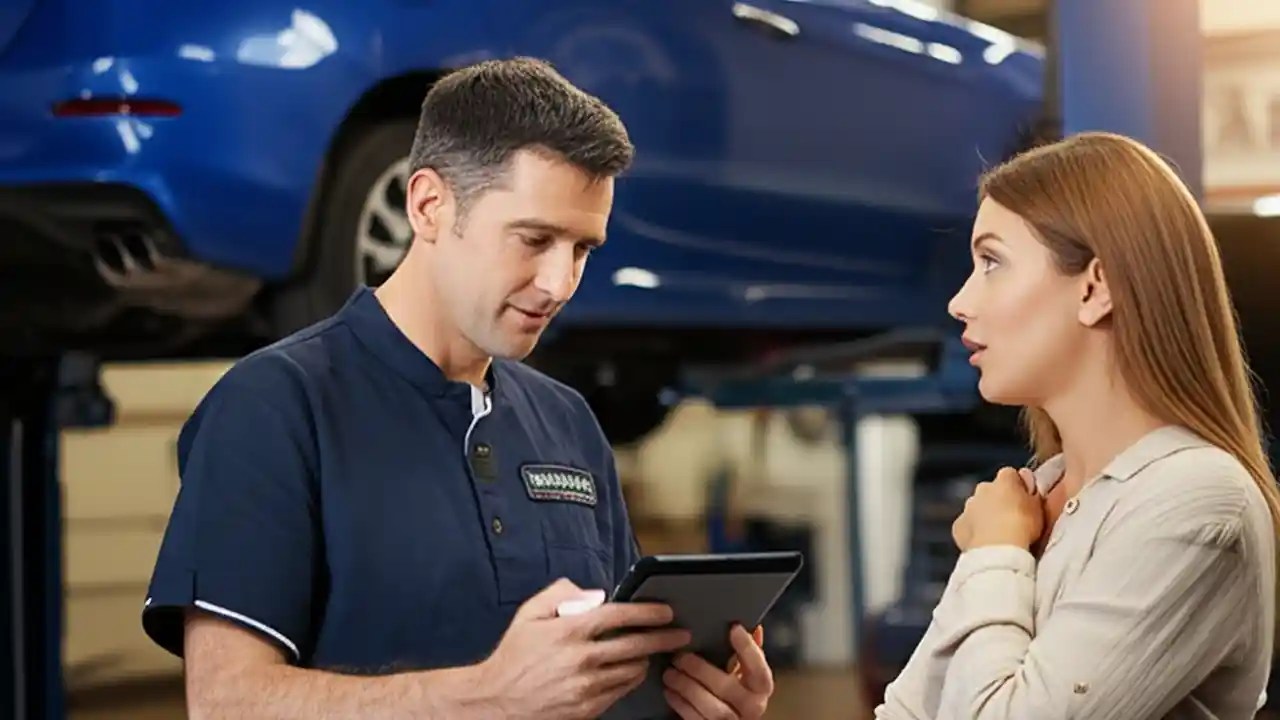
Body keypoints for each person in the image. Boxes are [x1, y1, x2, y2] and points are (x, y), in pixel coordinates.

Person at [141, 57, 775, 720]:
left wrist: (694, 702)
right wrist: (485, 696)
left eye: (583, 249)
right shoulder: (274, 406)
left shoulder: (568, 422)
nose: (559, 283)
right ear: (429, 206)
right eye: (535, 239)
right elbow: (228, 703)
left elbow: (604, 682)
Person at [875, 132, 1280, 719]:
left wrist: (994, 554)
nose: (959, 301)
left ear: (1096, 288)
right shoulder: (1034, 497)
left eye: (992, 262)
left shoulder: (1197, 499)